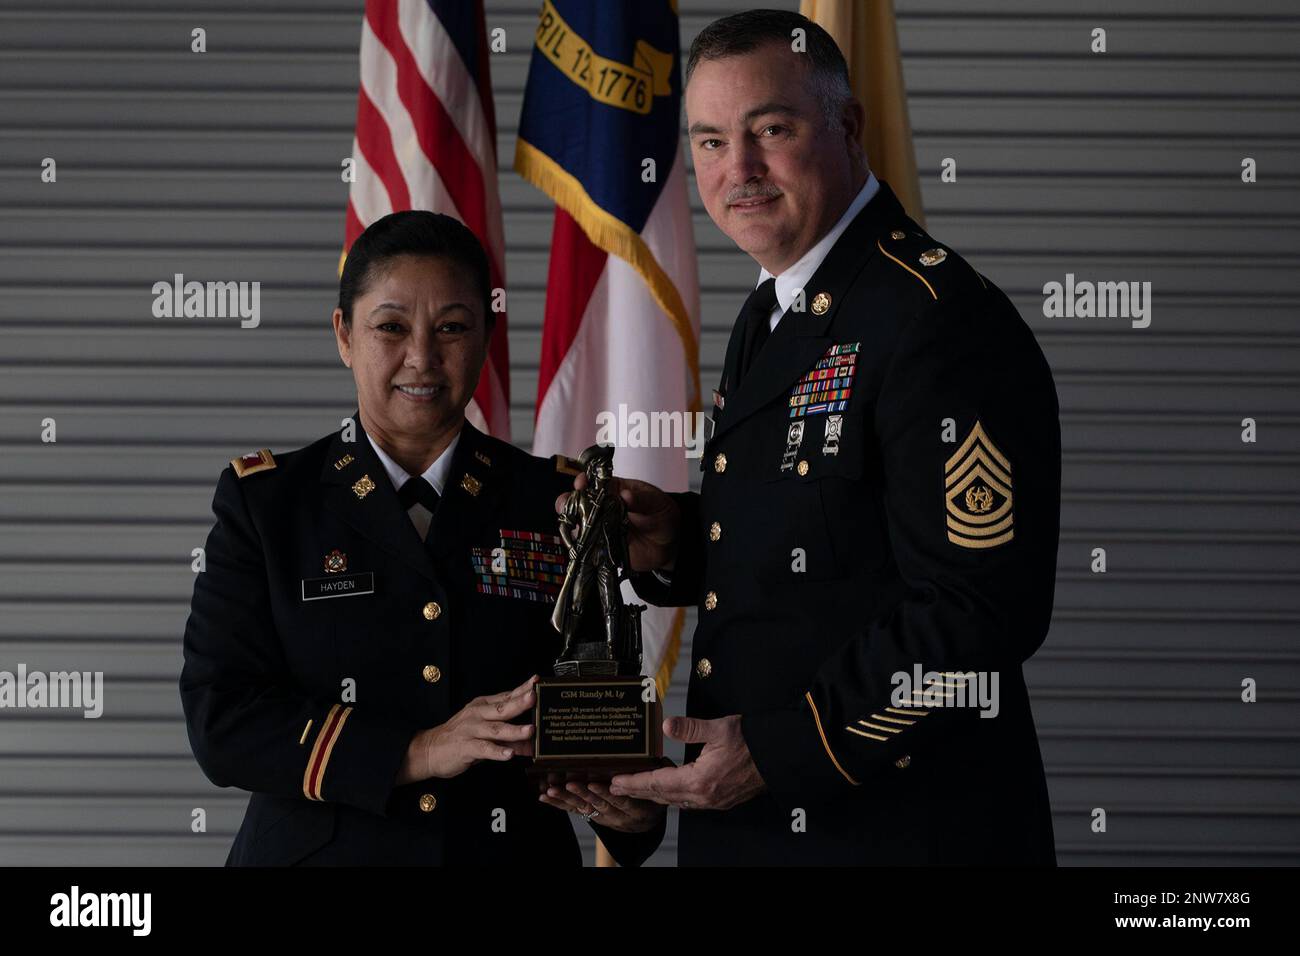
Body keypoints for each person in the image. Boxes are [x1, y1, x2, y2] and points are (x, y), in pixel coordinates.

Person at [556, 9, 1061, 865]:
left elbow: (980, 613)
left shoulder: (935, 319)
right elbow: (826, 546)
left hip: (900, 833)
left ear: (849, 126)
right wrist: (677, 539)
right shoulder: (777, 306)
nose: (738, 171)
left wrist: (784, 750)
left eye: (772, 130)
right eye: (710, 142)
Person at [180, 210, 664, 865]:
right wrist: (418, 750)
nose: (422, 357)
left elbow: (594, 723)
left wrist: (633, 812)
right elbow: (224, 720)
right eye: (391, 327)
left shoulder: (556, 501)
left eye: (452, 328)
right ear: (344, 335)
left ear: (487, 337)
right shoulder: (268, 503)